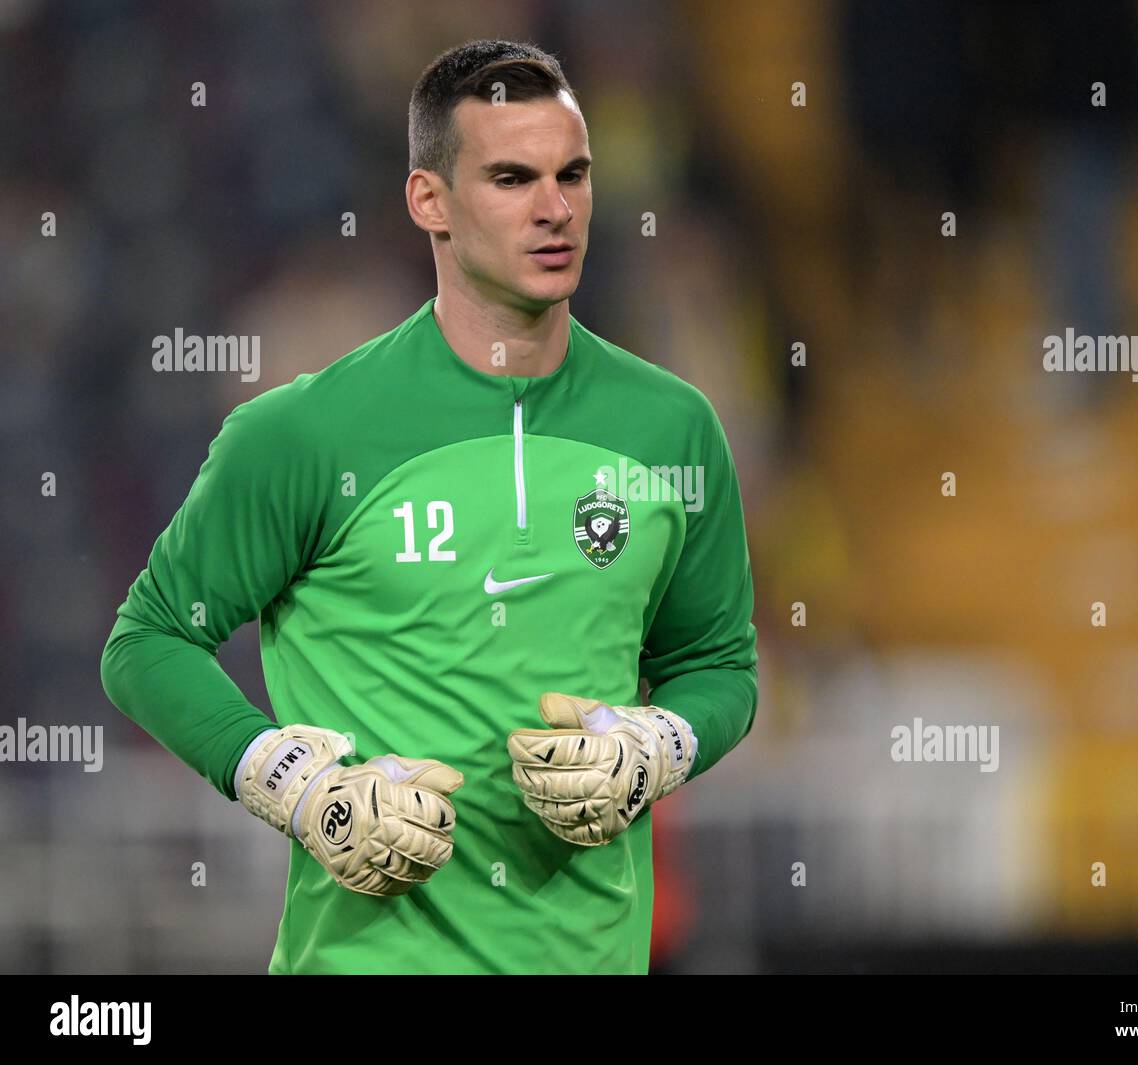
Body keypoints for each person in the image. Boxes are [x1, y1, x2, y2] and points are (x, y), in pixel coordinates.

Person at [101, 38, 758, 974]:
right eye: (510, 177)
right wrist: (296, 784)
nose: (554, 208)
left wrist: (661, 741)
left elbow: (719, 663)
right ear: (430, 202)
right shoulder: (302, 433)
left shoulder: (673, 428)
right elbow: (147, 640)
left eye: (573, 173)